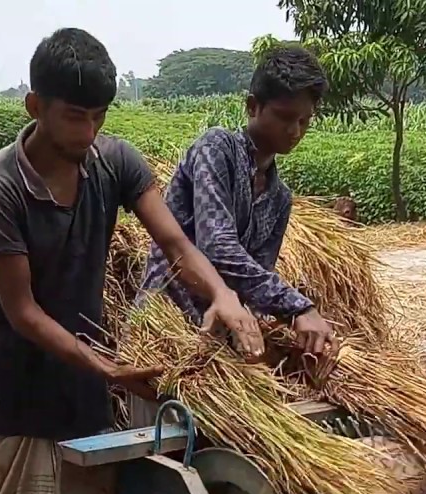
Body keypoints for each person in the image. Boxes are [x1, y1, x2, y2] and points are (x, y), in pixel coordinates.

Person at [0, 27, 262, 494]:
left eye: (99, 116)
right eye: (75, 115)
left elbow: (176, 244)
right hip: (12, 413)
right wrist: (111, 368)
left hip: (86, 409)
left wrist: (223, 296)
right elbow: (23, 312)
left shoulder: (113, 163)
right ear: (35, 106)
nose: (89, 131)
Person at [139, 45, 337, 359]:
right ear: (252, 106)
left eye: (304, 120)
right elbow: (217, 248)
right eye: (285, 117)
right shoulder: (216, 148)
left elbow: (256, 275)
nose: (295, 130)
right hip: (165, 326)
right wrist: (298, 307)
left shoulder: (279, 198)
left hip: (219, 341)